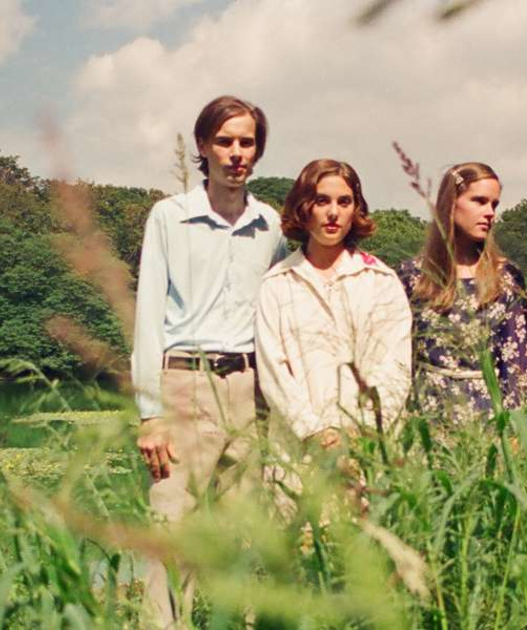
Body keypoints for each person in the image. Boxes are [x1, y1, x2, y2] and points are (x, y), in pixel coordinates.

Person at [130, 95, 287, 627]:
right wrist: (150, 412)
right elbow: (148, 315)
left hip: (248, 387)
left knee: (244, 528)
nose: (236, 153)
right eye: (225, 141)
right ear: (203, 146)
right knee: (173, 524)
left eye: (247, 142)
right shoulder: (169, 217)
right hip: (184, 384)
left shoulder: (272, 225)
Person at [255, 159, 412, 456]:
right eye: (321, 201)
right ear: (304, 207)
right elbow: (273, 372)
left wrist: (361, 432)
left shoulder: (381, 281)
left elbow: (395, 368)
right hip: (298, 451)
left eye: (344, 202)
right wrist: (315, 432)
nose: (333, 213)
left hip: (368, 450)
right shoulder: (277, 283)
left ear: (356, 209)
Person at [396, 162, 527, 424]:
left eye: (494, 204)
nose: (489, 213)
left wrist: (517, 426)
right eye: (479, 201)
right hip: (425, 415)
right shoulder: (412, 276)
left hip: (488, 417)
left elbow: (517, 363)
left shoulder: (505, 277)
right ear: (451, 202)